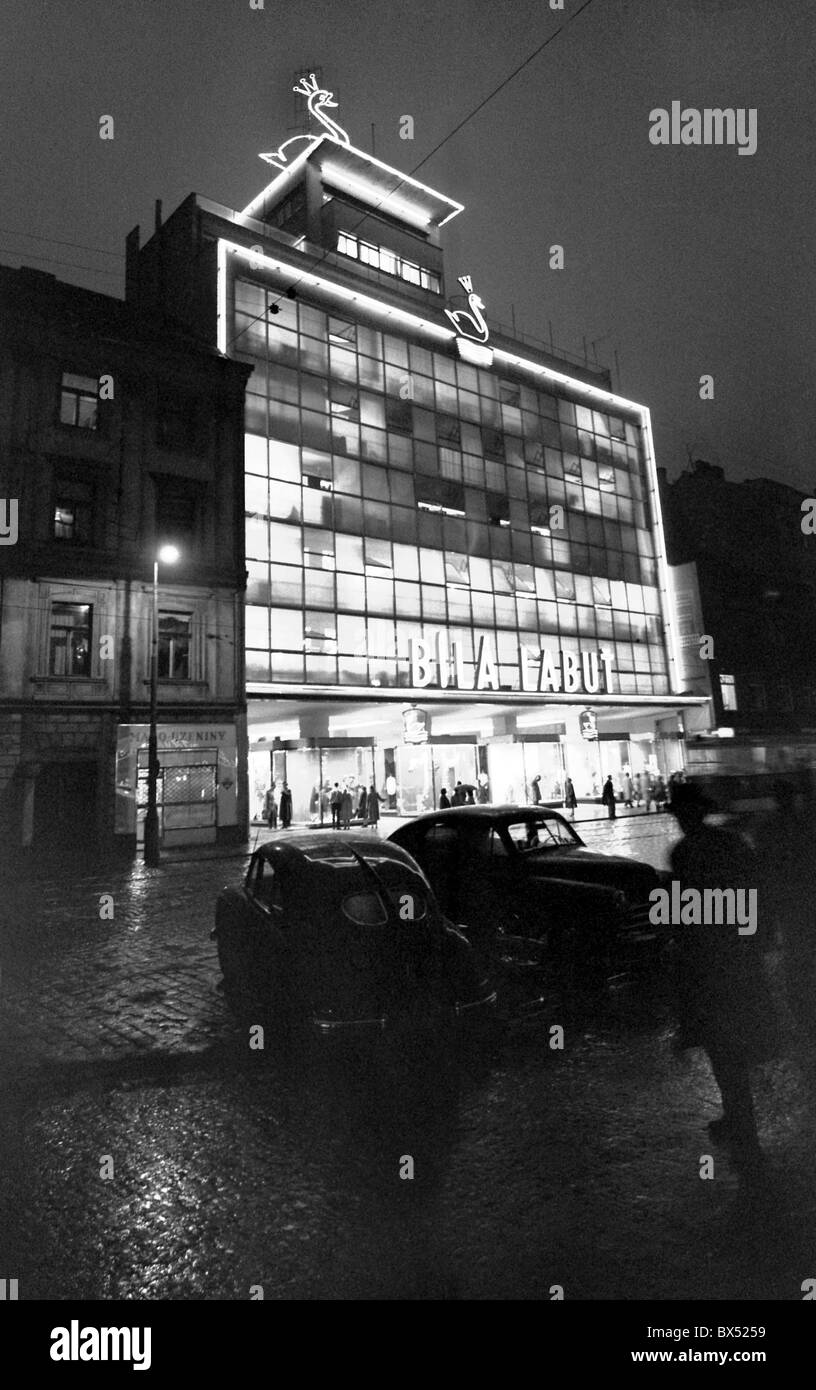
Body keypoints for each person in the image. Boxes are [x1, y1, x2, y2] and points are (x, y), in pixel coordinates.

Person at [668, 782, 775, 1184]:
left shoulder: (684, 853)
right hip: (737, 953)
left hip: (707, 960)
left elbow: (684, 915)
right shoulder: (732, 845)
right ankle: (740, 1120)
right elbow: (757, 893)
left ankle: (741, 1124)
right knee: (736, 1039)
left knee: (722, 1045)